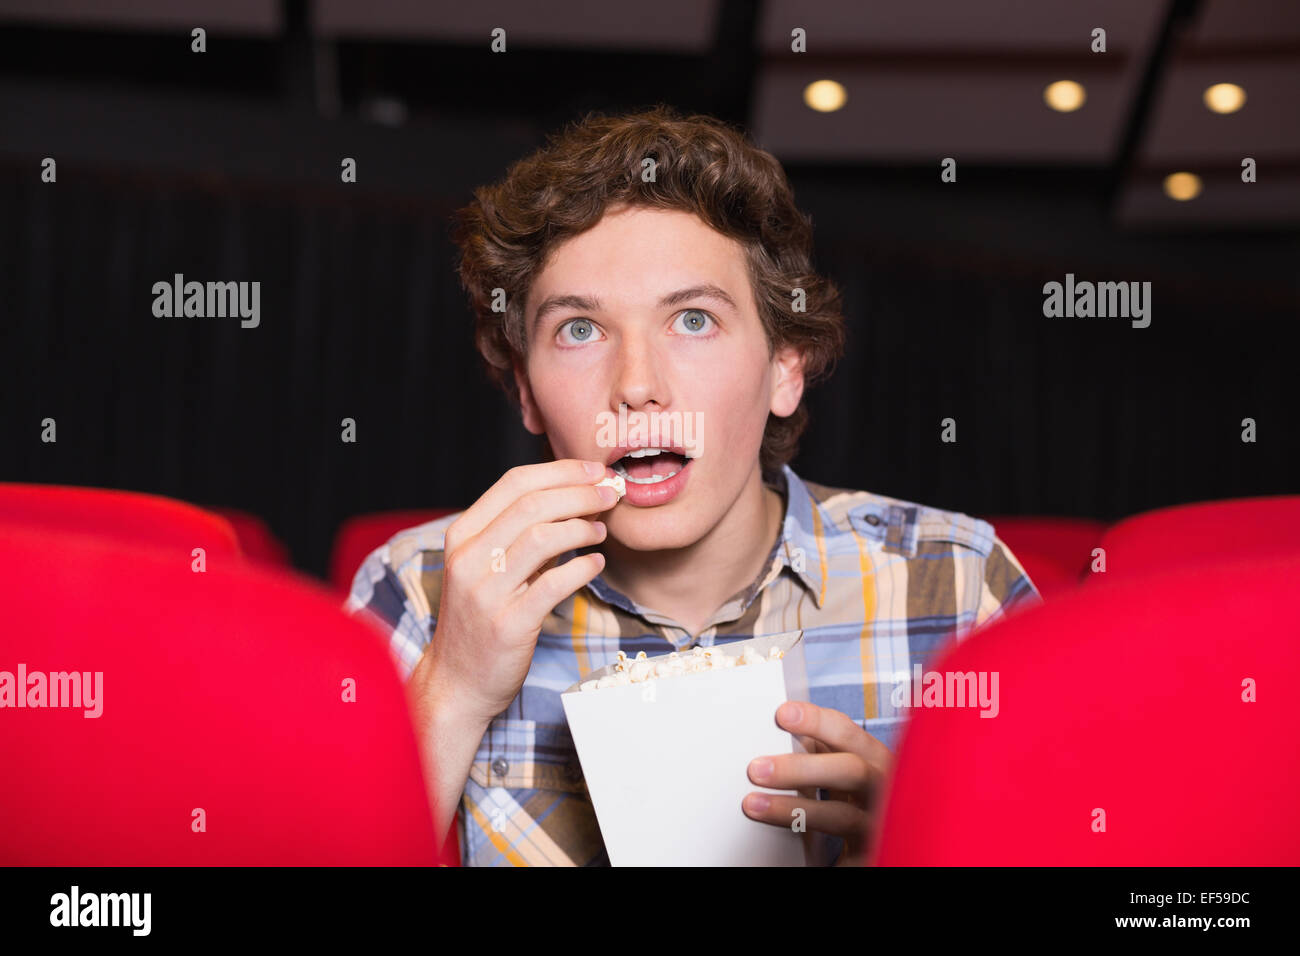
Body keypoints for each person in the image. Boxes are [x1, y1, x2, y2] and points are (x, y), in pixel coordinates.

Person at [346, 105, 1041, 866]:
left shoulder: (958, 585)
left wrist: (921, 846)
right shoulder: (420, 590)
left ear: (785, 368)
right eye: (580, 329)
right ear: (526, 392)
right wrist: (454, 687)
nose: (637, 387)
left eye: (694, 320)